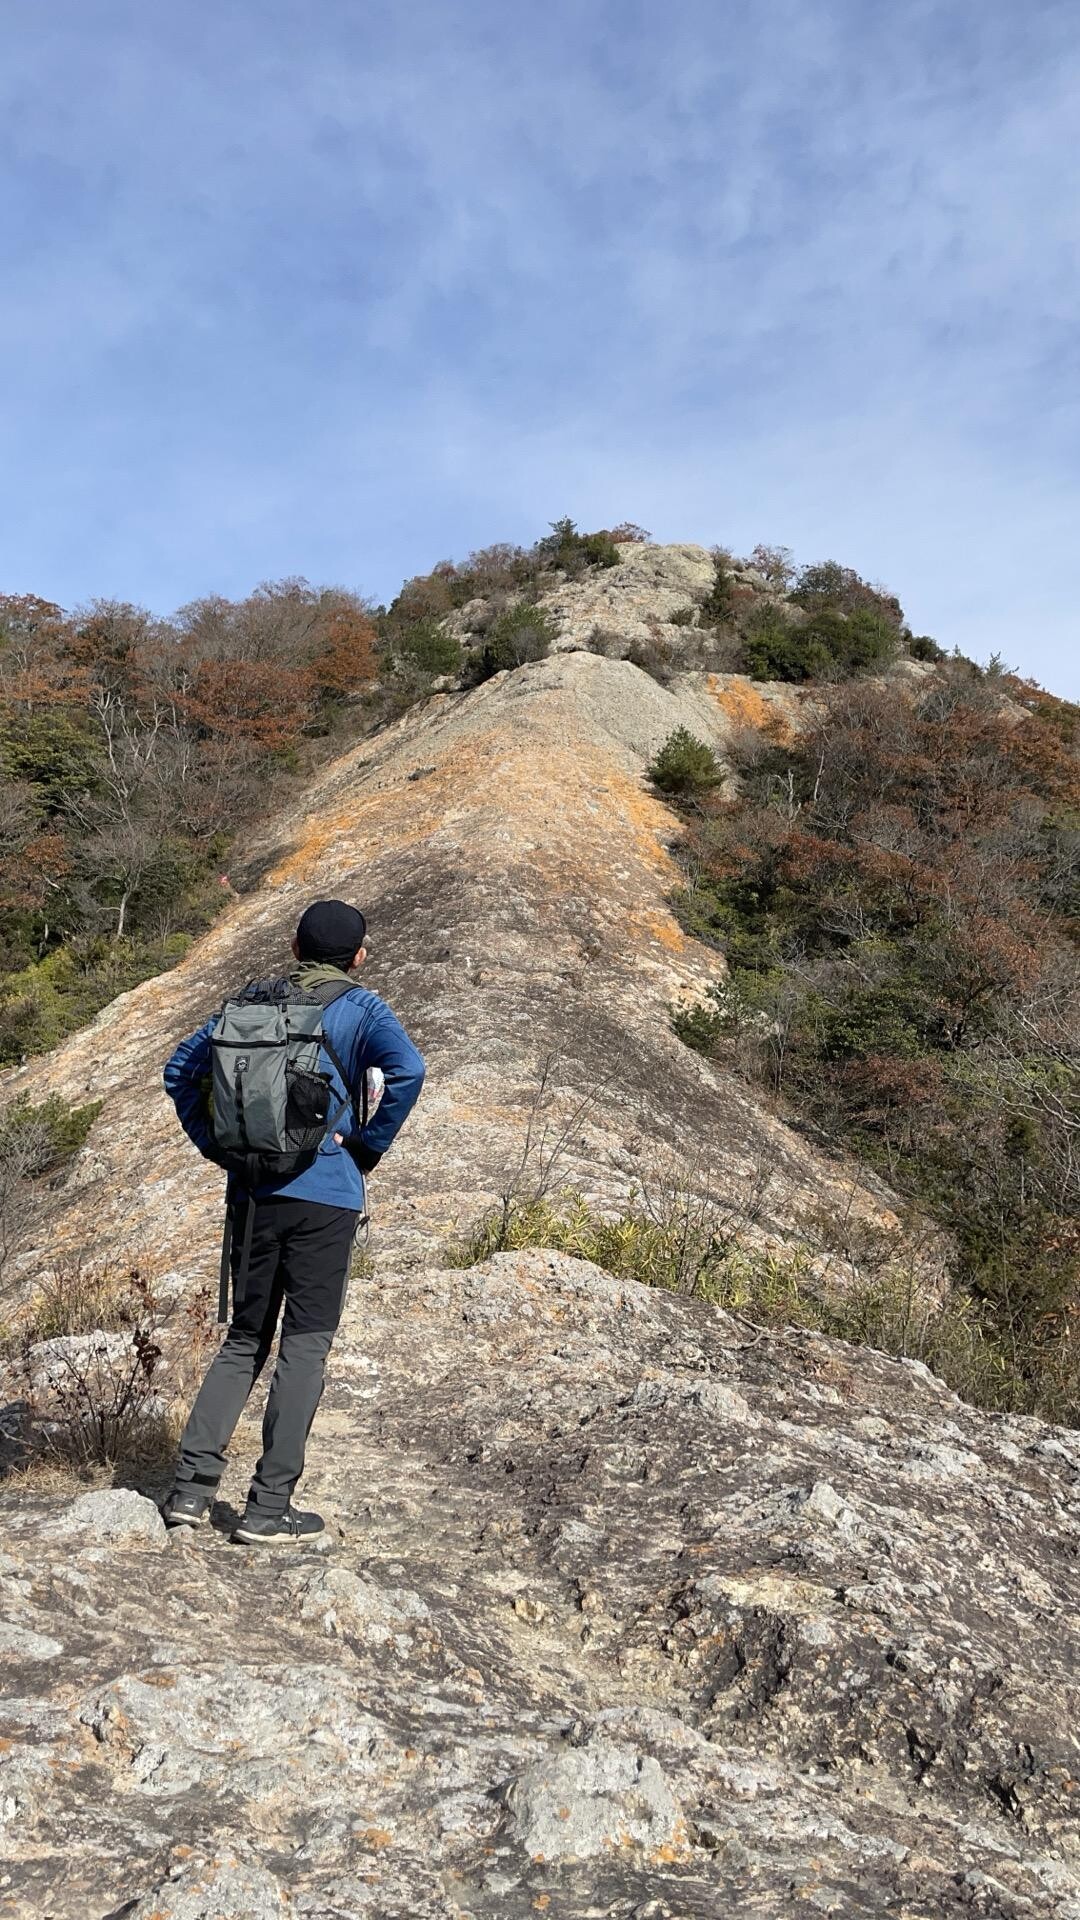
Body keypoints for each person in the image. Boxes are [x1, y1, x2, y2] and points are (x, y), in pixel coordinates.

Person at [159, 899, 425, 1544]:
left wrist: (224, 1150)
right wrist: (364, 1148)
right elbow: (409, 1071)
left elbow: (178, 1072)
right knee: (305, 1343)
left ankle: (190, 1493)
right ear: (358, 955)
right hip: (324, 1197)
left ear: (296, 947)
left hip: (252, 1193)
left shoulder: (249, 1001)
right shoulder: (360, 1008)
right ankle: (268, 1508)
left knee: (245, 1338)